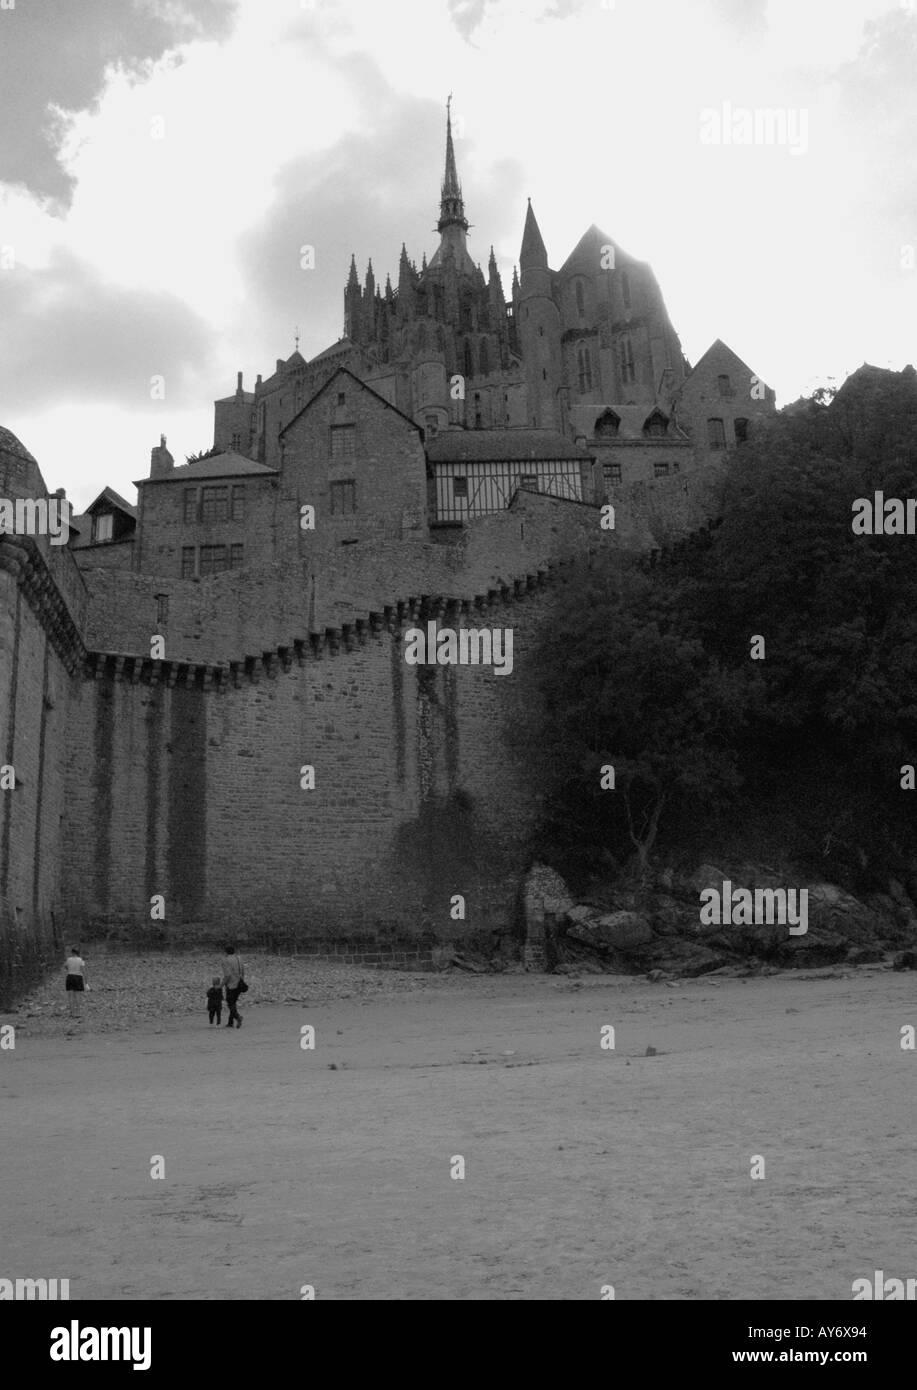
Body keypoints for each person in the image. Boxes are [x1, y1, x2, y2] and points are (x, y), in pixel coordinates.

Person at [221, 946, 245, 1029]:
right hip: (239, 983)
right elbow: (243, 971)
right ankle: (230, 1022)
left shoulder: (225, 960)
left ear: (226, 952)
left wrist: (221, 985)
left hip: (231, 985)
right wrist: (242, 980)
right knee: (233, 1002)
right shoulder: (239, 958)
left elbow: (227, 975)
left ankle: (238, 1017)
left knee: (230, 1003)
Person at [64, 947, 87, 1020]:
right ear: (78, 953)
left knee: (70, 995)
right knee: (77, 995)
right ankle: (78, 1012)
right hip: (78, 977)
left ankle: (72, 1012)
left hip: (70, 976)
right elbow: (83, 970)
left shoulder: (68, 959)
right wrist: (86, 981)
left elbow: (65, 966)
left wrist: (69, 969)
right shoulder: (81, 960)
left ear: (72, 953)